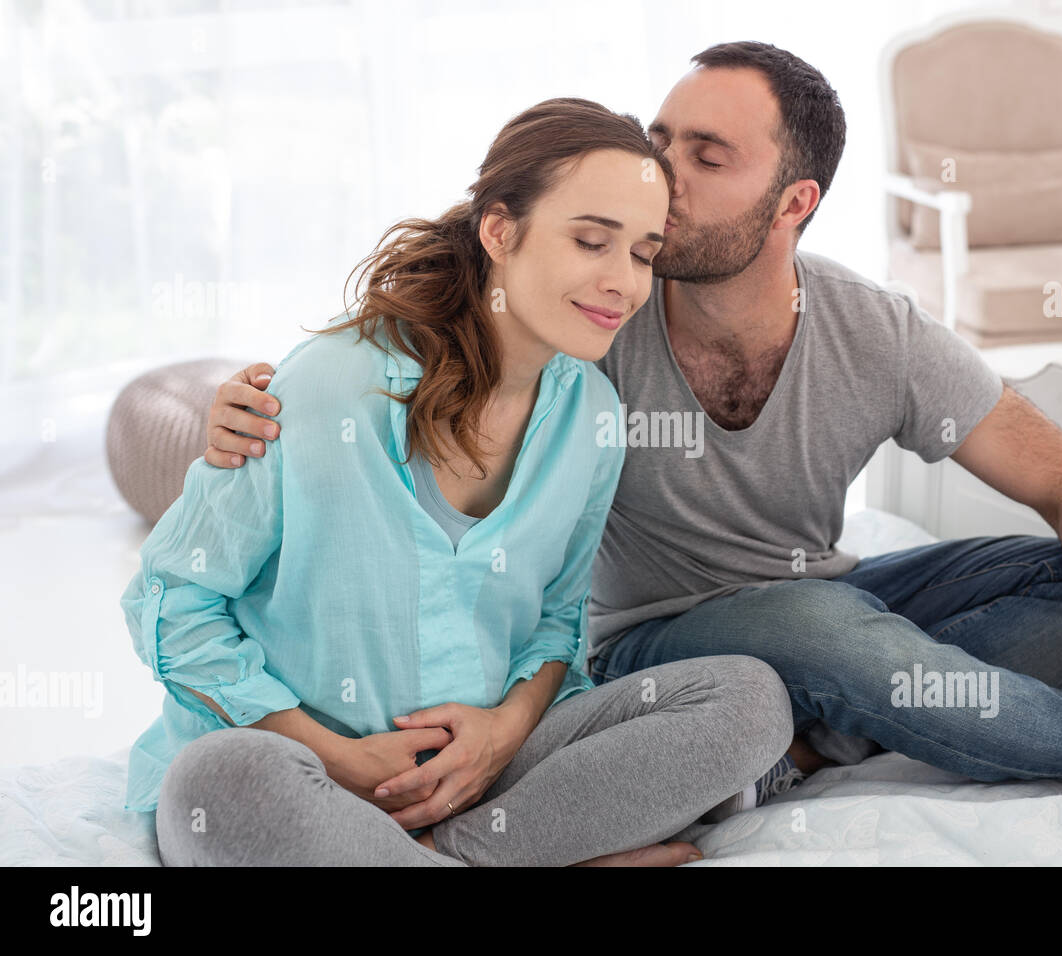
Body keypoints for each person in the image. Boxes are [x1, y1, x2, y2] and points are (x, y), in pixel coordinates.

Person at [203, 44, 1062, 809]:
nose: (658, 176)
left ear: (794, 203)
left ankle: (820, 732)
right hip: (647, 645)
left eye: (705, 156)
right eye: (659, 139)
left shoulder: (877, 332)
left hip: (824, 602)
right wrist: (247, 407)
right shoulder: (593, 307)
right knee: (823, 632)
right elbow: (434, 322)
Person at [120, 96, 794, 868]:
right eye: (590, 242)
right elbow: (175, 603)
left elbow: (558, 620)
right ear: (501, 231)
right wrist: (339, 758)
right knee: (218, 782)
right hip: (305, 773)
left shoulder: (593, 419)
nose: (623, 283)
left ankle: (453, 854)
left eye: (642, 253)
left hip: (486, 779)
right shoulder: (334, 386)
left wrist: (504, 729)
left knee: (747, 701)